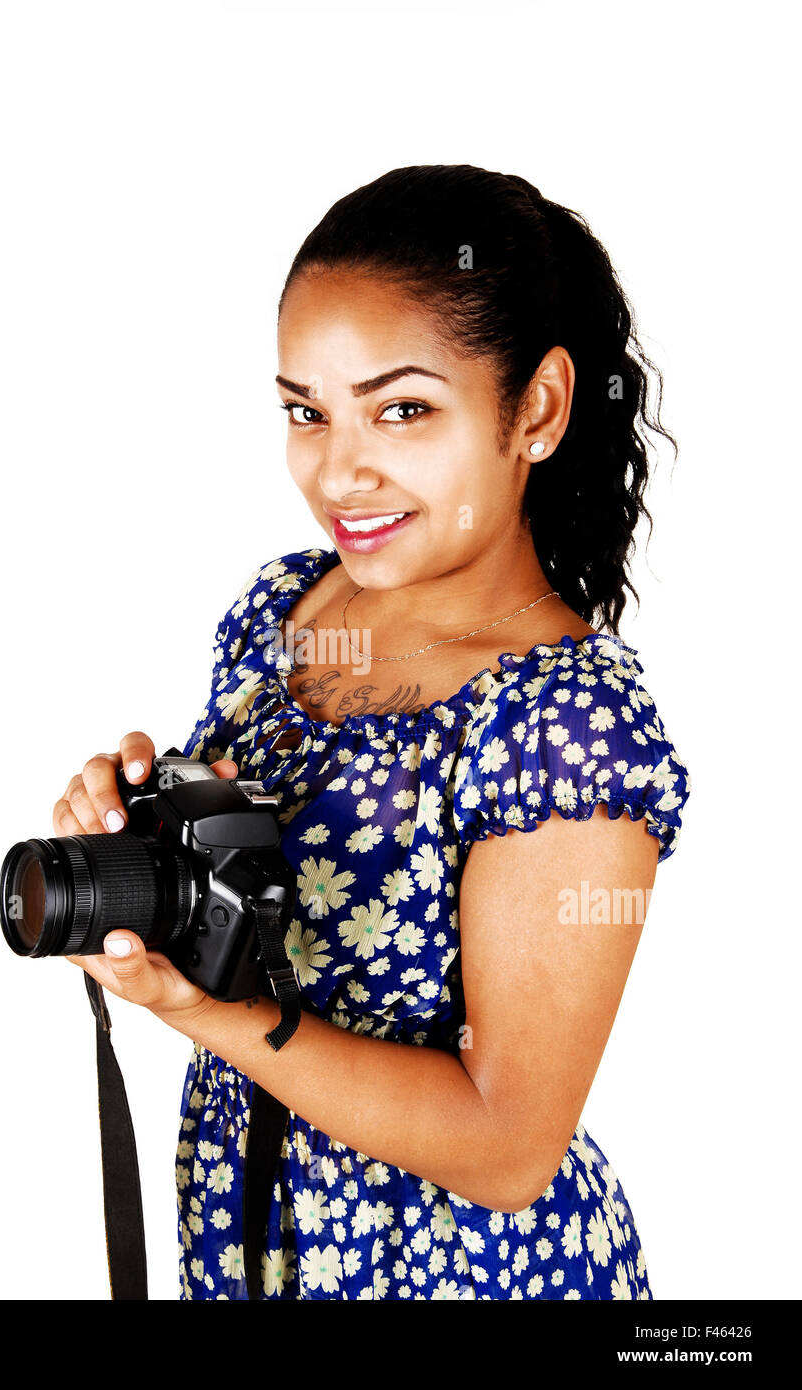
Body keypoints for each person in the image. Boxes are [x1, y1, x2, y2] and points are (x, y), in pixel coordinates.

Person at [59, 165, 691, 1300]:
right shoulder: (284, 611)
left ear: (537, 409)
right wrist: (133, 864)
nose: (337, 469)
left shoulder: (565, 720)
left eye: (402, 409)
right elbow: (255, 918)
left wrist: (218, 1017)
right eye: (307, 410)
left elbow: (510, 1146)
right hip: (251, 1243)